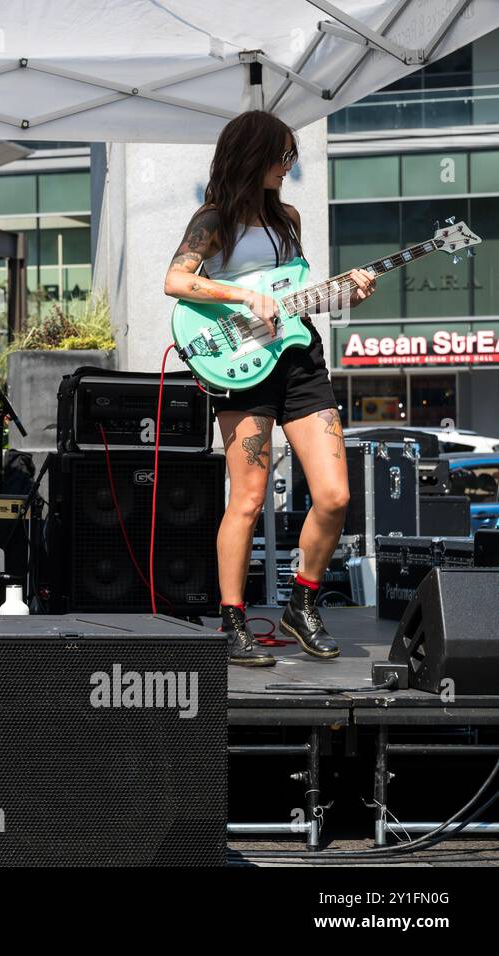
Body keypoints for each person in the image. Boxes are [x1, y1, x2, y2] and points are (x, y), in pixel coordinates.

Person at [163, 110, 377, 666]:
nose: (289, 166)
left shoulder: (289, 219)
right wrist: (239, 296)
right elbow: (176, 280)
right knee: (250, 498)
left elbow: (300, 295)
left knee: (335, 495)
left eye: (292, 156)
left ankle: (300, 604)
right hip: (240, 363)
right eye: (282, 155)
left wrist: (347, 296)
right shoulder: (213, 219)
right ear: (252, 154)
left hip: (300, 360)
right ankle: (233, 619)